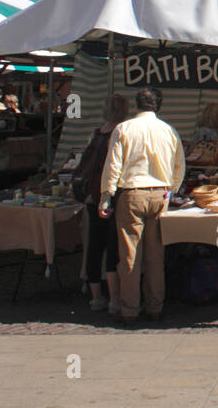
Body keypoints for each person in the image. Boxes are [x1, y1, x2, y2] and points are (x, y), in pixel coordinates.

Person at [99, 89, 185, 325]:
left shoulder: (123, 129)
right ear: (159, 105)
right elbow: (179, 165)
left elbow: (113, 165)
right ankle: (155, 307)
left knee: (130, 256)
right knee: (156, 255)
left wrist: (106, 195)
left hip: (132, 193)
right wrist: (172, 190)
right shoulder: (169, 130)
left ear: (136, 105)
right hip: (160, 194)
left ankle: (129, 309)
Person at [75, 94, 130, 314]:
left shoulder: (96, 133)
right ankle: (115, 298)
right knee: (113, 247)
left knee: (95, 247)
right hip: (112, 196)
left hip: (92, 196)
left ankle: (96, 297)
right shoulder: (122, 134)